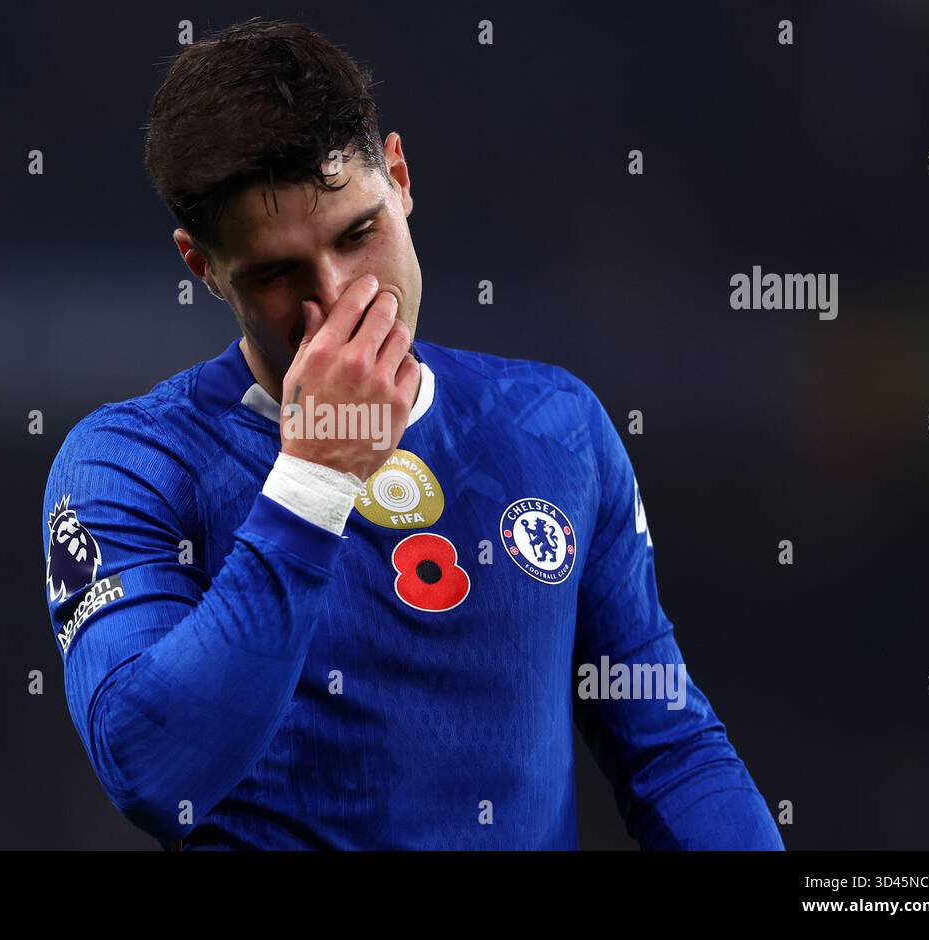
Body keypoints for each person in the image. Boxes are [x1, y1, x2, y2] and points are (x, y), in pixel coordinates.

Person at [41, 17, 783, 850]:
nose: (338, 300)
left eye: (359, 235)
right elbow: (152, 770)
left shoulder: (553, 425)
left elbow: (670, 749)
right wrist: (314, 479)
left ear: (398, 177)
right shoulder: (130, 467)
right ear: (202, 267)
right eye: (277, 273)